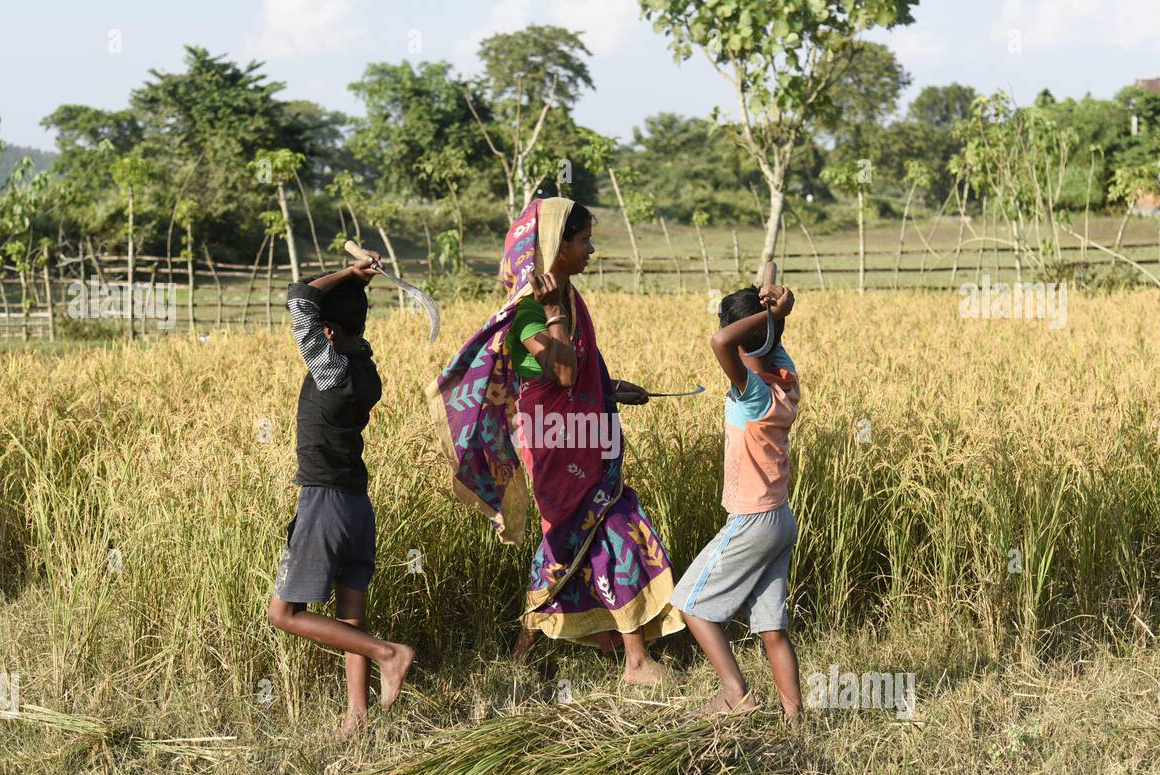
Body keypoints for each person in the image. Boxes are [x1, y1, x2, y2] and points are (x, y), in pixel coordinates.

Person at [428, 197, 683, 684]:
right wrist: (550, 311)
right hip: (554, 446)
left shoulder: (569, 300)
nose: (591, 249)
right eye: (584, 240)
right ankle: (634, 662)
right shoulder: (531, 312)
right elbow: (562, 374)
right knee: (615, 531)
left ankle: (525, 656)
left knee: (567, 546)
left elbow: (578, 373)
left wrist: (609, 388)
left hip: (586, 438)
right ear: (556, 248)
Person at [266, 254, 415, 739]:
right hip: (357, 507)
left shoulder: (328, 371)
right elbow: (332, 316)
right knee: (352, 614)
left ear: (327, 333)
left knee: (284, 613)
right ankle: (357, 715)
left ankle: (388, 653)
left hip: (324, 504)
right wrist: (355, 284)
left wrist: (350, 275)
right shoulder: (366, 371)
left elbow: (299, 296)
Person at [669, 281, 803, 716]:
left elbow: (720, 341)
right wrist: (779, 315)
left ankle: (736, 696)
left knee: (692, 604)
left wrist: (768, 316)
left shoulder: (753, 392)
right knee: (772, 627)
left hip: (751, 520)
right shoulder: (784, 378)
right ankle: (794, 716)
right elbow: (760, 342)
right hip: (780, 519)